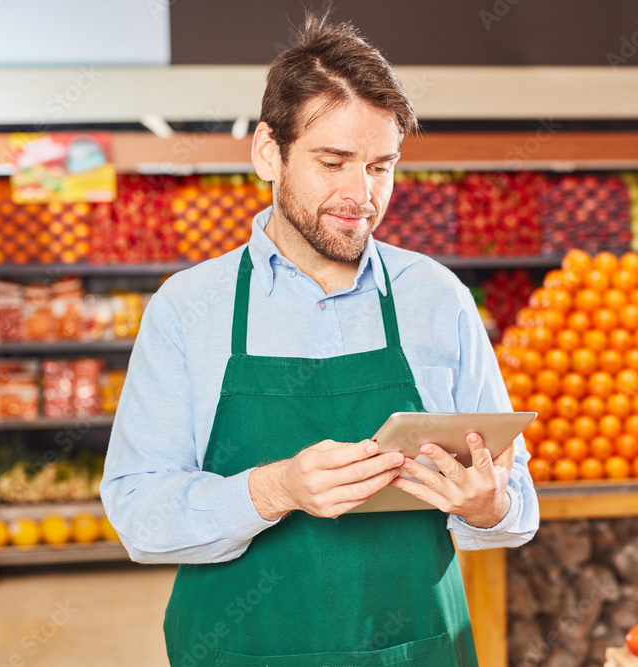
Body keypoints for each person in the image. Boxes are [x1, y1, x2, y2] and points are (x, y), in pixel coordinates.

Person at [100, 12, 539, 667]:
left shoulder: (436, 298)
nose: (361, 195)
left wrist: (488, 505)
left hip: (413, 650)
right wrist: (274, 489)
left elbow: (517, 502)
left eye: (381, 167)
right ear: (267, 152)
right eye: (333, 162)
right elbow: (139, 516)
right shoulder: (188, 310)